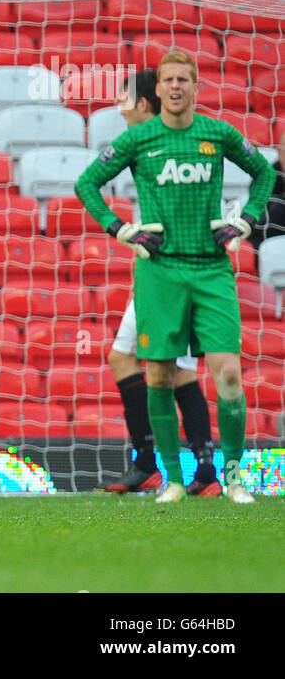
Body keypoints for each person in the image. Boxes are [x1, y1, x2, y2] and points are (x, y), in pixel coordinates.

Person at [75, 51, 274, 504]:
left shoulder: (217, 134)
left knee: (227, 377)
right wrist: (121, 229)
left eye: (185, 79)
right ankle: (173, 481)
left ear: (196, 87)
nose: (177, 86)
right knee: (160, 375)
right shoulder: (140, 139)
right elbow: (87, 183)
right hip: (159, 271)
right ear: (159, 90)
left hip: (211, 270)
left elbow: (264, 173)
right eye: (168, 80)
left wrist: (246, 219)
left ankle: (235, 478)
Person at [100, 69, 218, 495]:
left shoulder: (169, 142)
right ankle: (150, 462)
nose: (119, 106)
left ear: (145, 105)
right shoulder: (141, 144)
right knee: (124, 357)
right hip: (155, 272)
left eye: (125, 99)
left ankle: (204, 473)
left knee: (176, 367)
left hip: (182, 270)